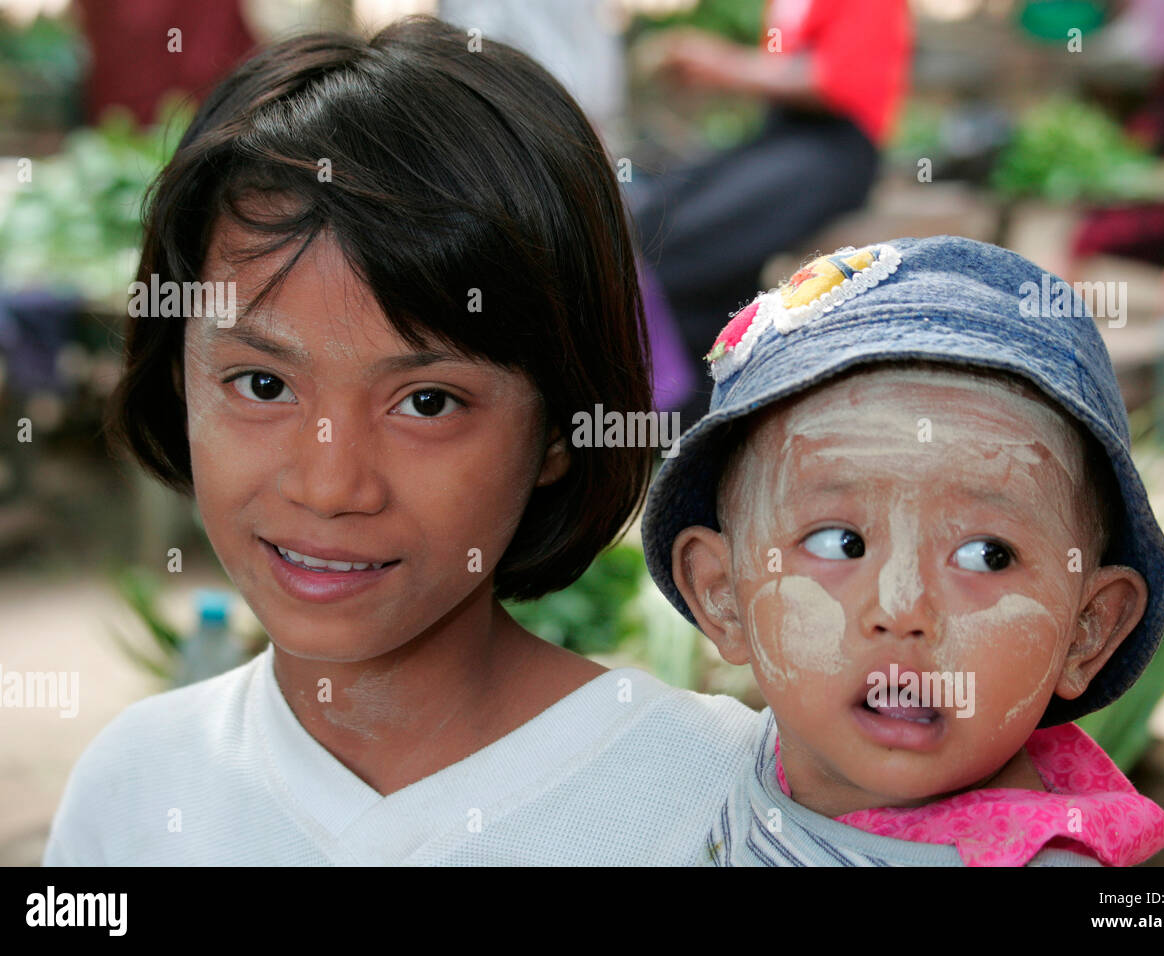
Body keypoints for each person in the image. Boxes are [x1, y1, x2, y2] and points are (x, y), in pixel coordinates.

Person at [42, 16, 759, 866]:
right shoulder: (133, 788)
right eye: (263, 385)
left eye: (426, 402)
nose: (330, 483)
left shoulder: (724, 807)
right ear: (179, 380)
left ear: (563, 428)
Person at [642, 235, 1164, 865]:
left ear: (1084, 630)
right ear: (723, 593)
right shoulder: (707, 769)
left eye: (987, 555)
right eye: (839, 543)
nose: (901, 608)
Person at [630, 0, 911, 426]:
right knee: (652, 218)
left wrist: (722, 64)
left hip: (832, 152)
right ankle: (697, 412)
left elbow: (833, 81)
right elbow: (781, 74)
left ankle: (682, 415)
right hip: (780, 139)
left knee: (681, 242)